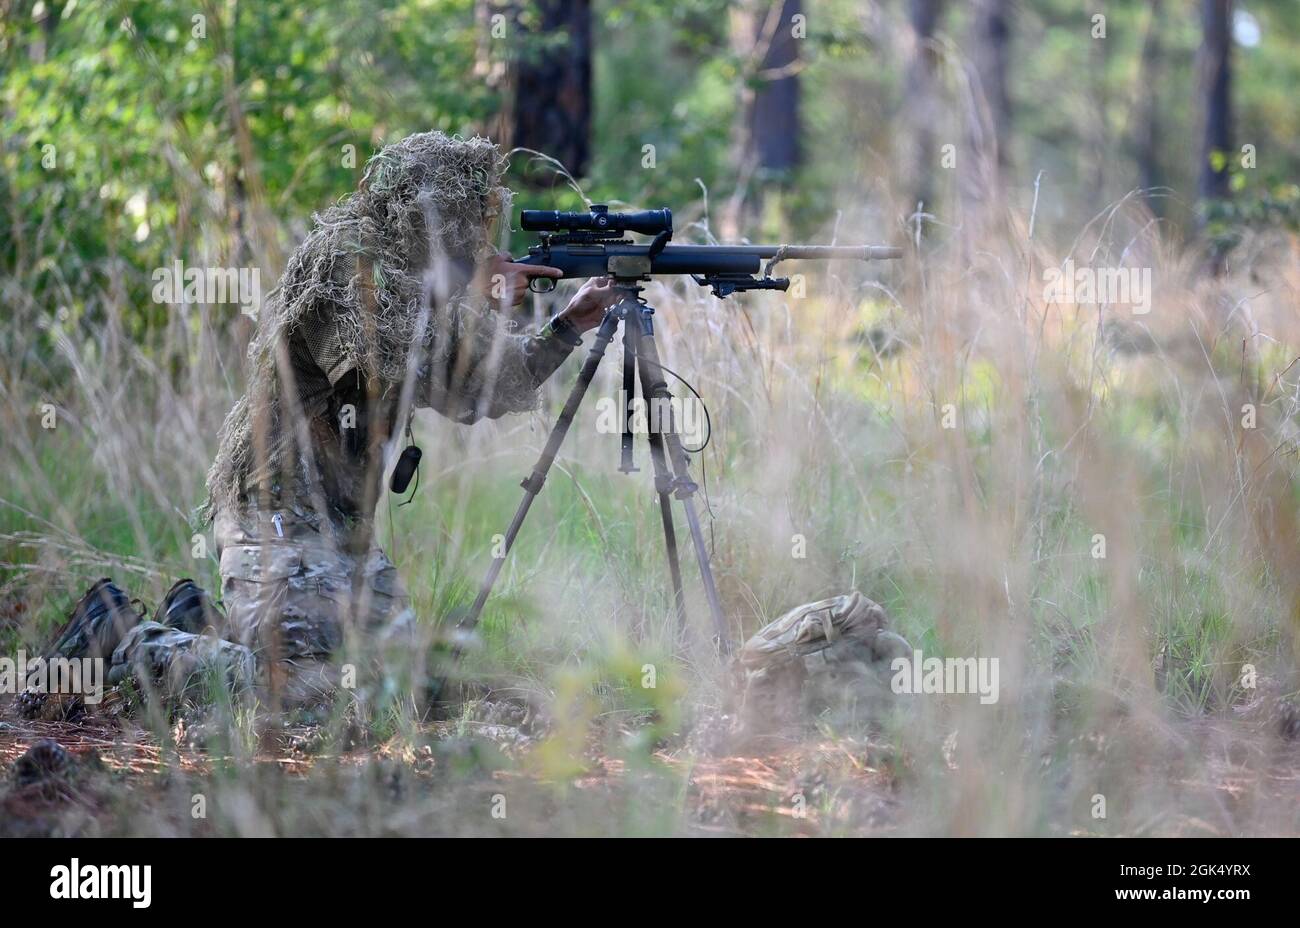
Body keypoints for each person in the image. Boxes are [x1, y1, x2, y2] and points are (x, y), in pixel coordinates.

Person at [28, 131, 617, 715]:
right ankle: (122, 635)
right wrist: (468, 295)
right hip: (278, 517)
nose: (477, 240)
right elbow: (374, 372)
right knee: (305, 697)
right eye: (466, 224)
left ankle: (200, 625)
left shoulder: (428, 288)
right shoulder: (345, 259)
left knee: (409, 692)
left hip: (347, 531)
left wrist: (568, 323)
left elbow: (480, 391)